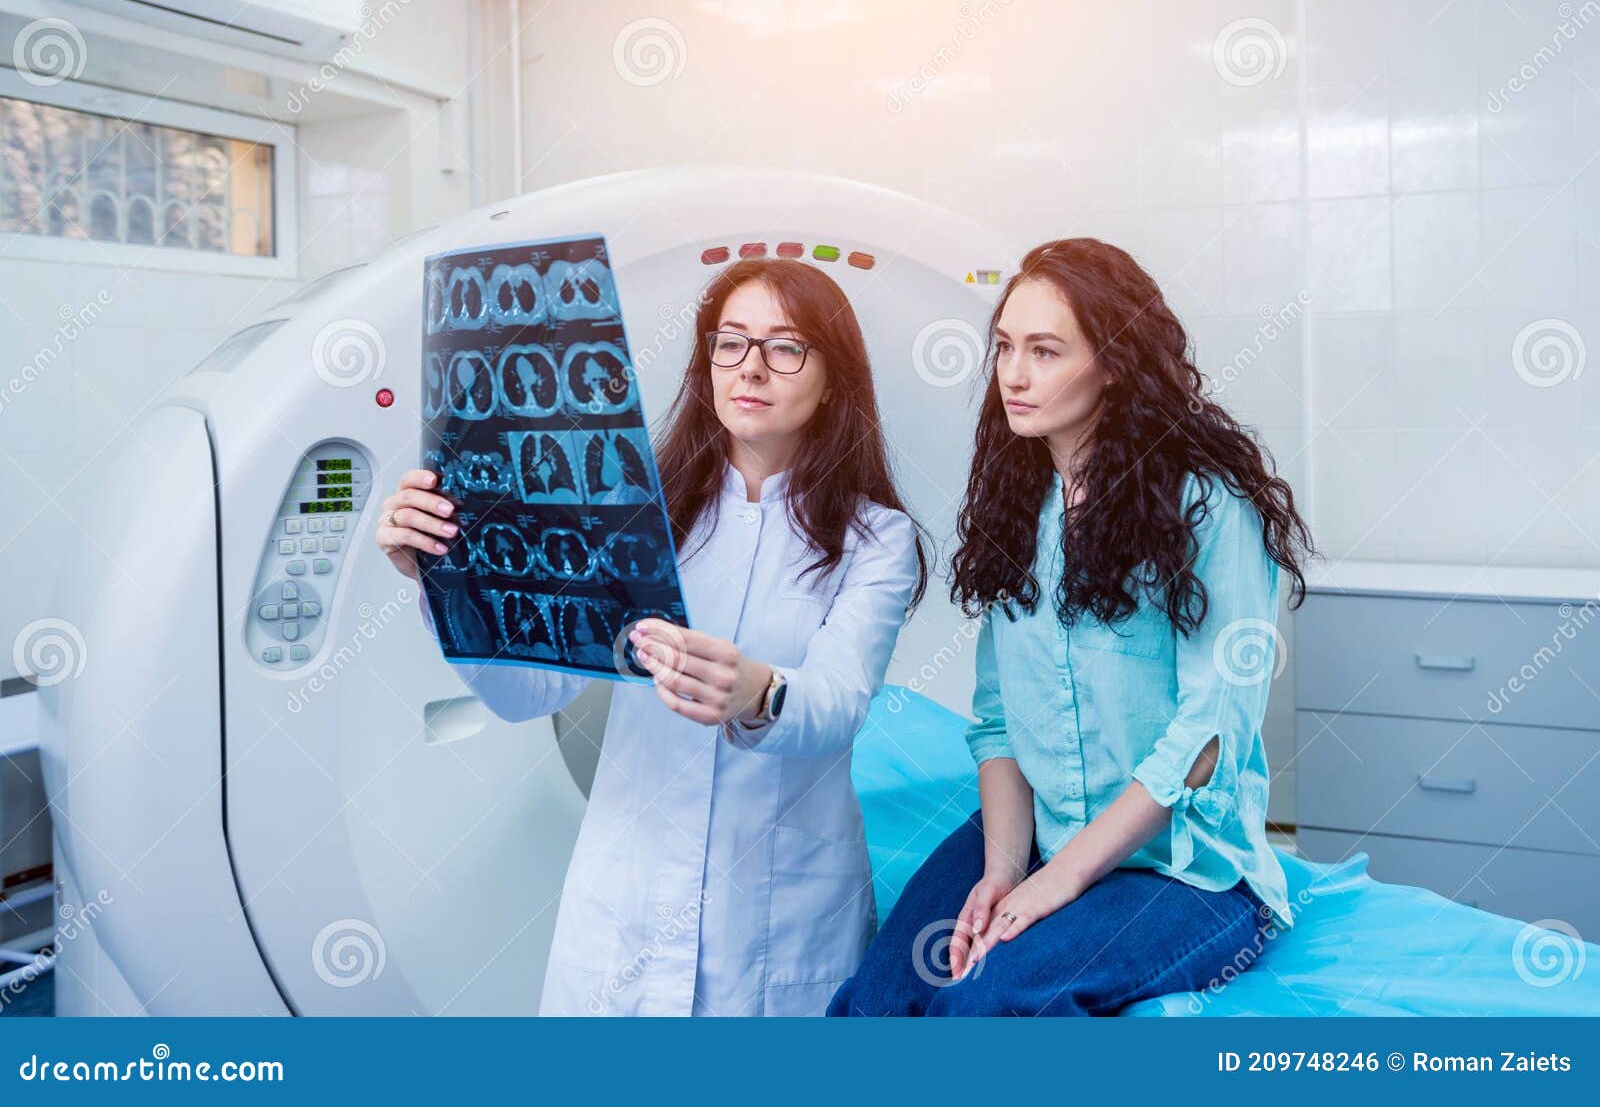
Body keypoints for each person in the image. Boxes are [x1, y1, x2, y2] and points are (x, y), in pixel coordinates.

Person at [378, 257, 926, 1016]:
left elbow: (836, 703)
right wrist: (443, 582)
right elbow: (530, 689)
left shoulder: (876, 540)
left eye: (786, 346)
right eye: (730, 342)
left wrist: (755, 691)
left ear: (832, 378)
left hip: (780, 916)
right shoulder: (633, 518)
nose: (753, 368)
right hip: (624, 910)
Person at [829, 237, 1313, 1017]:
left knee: (992, 1001)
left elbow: (1208, 733)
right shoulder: (1020, 504)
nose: (1014, 376)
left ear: (1115, 363)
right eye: (1006, 348)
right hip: (1043, 831)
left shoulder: (1208, 504)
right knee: (879, 998)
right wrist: (1003, 869)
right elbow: (997, 722)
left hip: (1184, 869)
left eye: (1046, 351)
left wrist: (1062, 878)